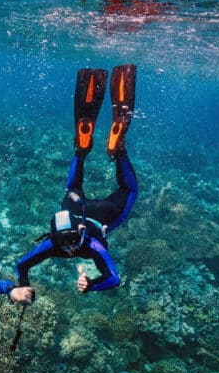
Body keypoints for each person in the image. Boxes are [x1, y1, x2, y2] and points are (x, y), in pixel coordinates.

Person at [15, 64, 139, 293]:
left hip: (101, 216)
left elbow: (114, 279)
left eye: (71, 240)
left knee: (130, 192)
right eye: (63, 242)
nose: (69, 248)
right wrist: (22, 287)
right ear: (53, 237)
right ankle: (84, 151)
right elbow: (21, 266)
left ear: (81, 230)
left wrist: (90, 285)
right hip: (73, 206)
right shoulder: (66, 243)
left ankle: (116, 150)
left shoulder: (85, 244)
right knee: (72, 187)